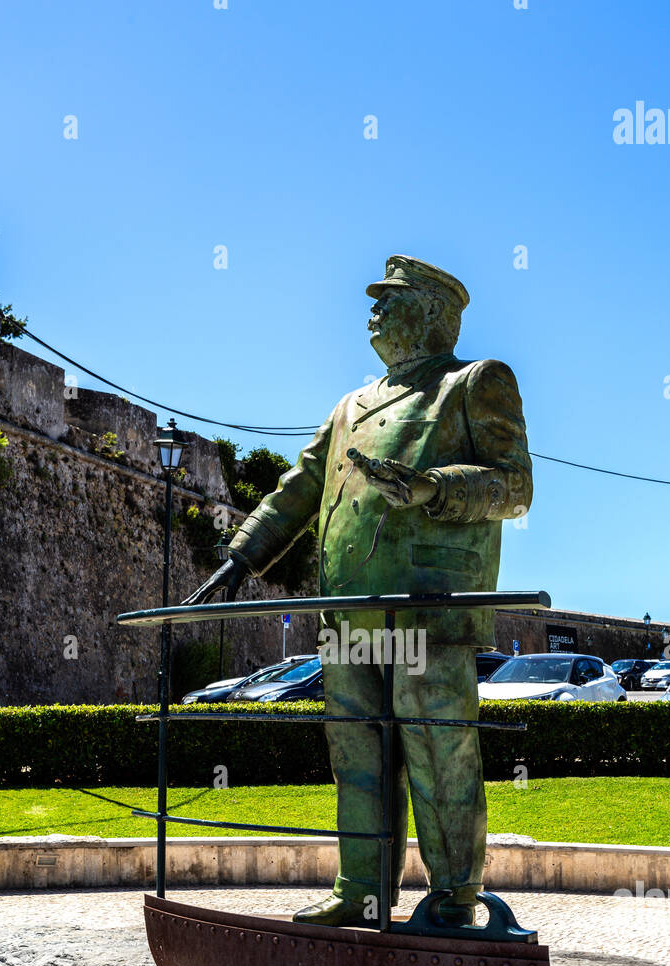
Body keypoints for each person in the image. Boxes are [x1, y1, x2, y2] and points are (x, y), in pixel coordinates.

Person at [183, 255, 533, 926]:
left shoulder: (473, 384)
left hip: (429, 612)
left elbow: (514, 487)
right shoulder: (352, 404)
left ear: (432, 314)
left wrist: (434, 488)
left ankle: (457, 899)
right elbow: (300, 487)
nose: (371, 309)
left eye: (389, 299)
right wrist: (241, 557)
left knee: (439, 752)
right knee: (357, 757)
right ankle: (361, 889)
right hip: (348, 615)